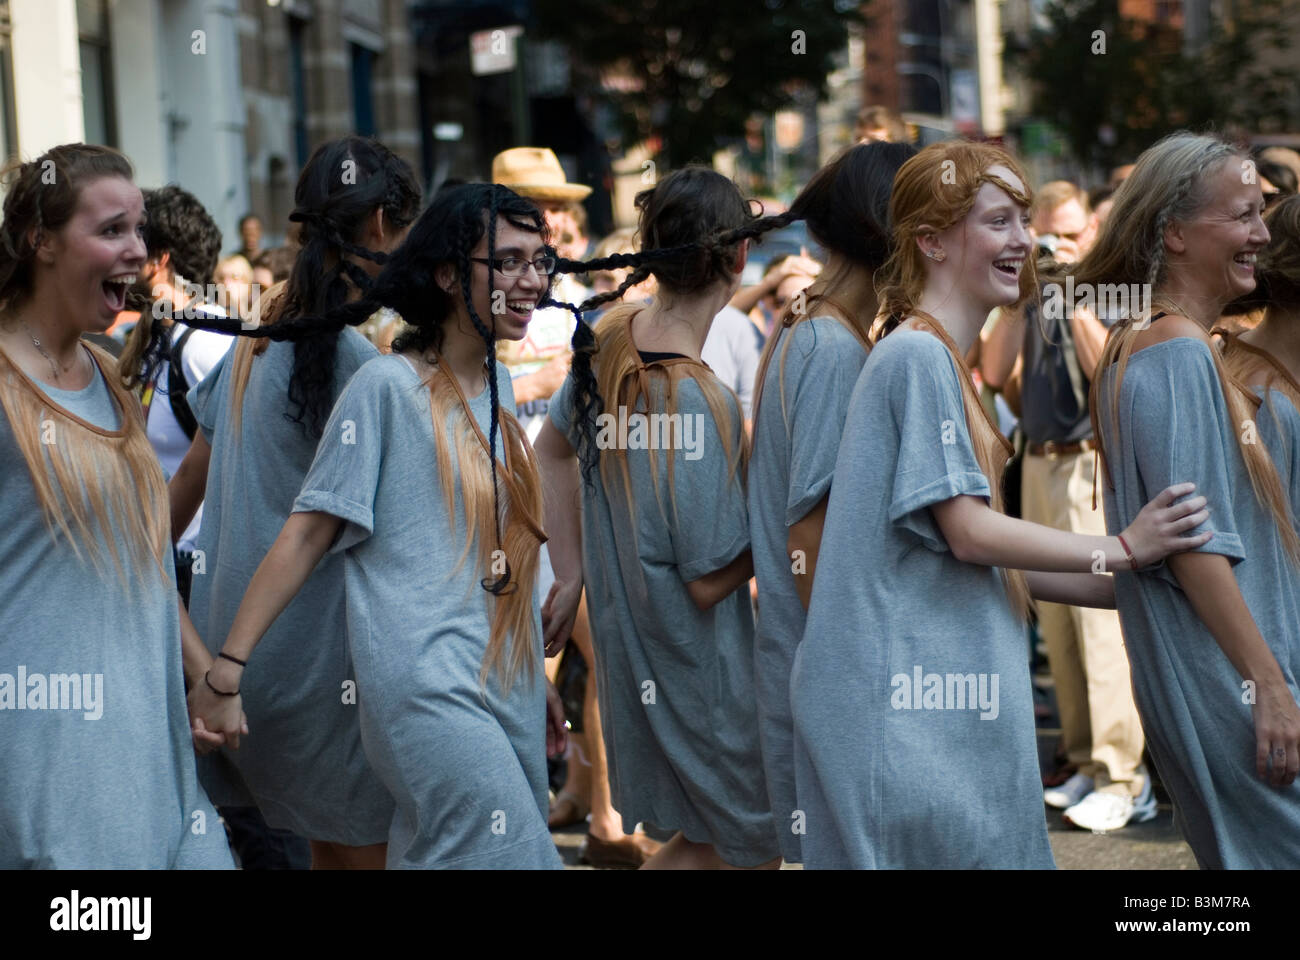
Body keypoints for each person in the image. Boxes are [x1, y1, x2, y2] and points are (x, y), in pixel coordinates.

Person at [788, 140, 1212, 869]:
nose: (1024, 240)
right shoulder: (918, 356)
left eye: (1024, 219)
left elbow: (975, 564)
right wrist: (1124, 548)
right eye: (998, 221)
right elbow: (968, 534)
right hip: (909, 722)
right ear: (930, 241)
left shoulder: (932, 356)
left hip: (931, 716)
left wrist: (1138, 586)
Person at [187, 183, 569, 869]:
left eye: (539, 261)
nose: (530, 279)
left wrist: (530, 673)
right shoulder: (385, 387)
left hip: (498, 678)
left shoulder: (502, 390)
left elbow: (483, 555)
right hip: (424, 686)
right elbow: (307, 533)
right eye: (507, 261)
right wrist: (225, 672)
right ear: (450, 275)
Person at [168, 136, 422, 870]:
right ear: (380, 226)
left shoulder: (256, 337)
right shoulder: (360, 369)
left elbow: (181, 490)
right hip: (320, 676)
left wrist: (190, 642)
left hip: (238, 672)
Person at [538, 167, 787, 869]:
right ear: (740, 258)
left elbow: (549, 451)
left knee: (710, 840)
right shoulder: (698, 398)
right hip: (695, 663)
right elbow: (708, 581)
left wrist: (573, 571)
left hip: (633, 641)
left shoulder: (609, 337)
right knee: (749, 843)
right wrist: (783, 516)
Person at [0, 143, 233, 868]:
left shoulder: (106, 374)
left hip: (153, 748)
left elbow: (143, 558)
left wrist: (205, 677)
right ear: (39, 240)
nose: (137, 251)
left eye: (138, 230)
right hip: (50, 763)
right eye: (111, 231)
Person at [1082, 131, 1300, 869]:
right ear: (1173, 232)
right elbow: (1196, 549)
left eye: (1263, 215)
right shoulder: (1174, 352)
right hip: (1234, 684)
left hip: (1217, 678)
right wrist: (1268, 686)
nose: (1262, 235)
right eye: (1243, 216)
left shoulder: (1147, 342)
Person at [747, 140, 915, 864]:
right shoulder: (832, 348)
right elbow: (809, 530)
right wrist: (854, 664)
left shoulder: (811, 323)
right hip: (830, 669)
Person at [982, 180, 1154, 832]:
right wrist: (1027, 289)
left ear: (1093, 232)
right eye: (1045, 232)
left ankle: (1123, 775)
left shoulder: (1116, 289)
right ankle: (1084, 759)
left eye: (1071, 232)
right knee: (1057, 621)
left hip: (1087, 464)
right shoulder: (1031, 292)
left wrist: (1075, 289)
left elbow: (1108, 368)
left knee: (1100, 630)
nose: (1057, 245)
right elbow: (996, 373)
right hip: (1039, 460)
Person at [110, 185, 232, 604]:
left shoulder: (207, 341)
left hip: (194, 574)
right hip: (160, 564)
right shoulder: (154, 334)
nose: (119, 258)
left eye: (132, 242)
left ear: (159, 260)